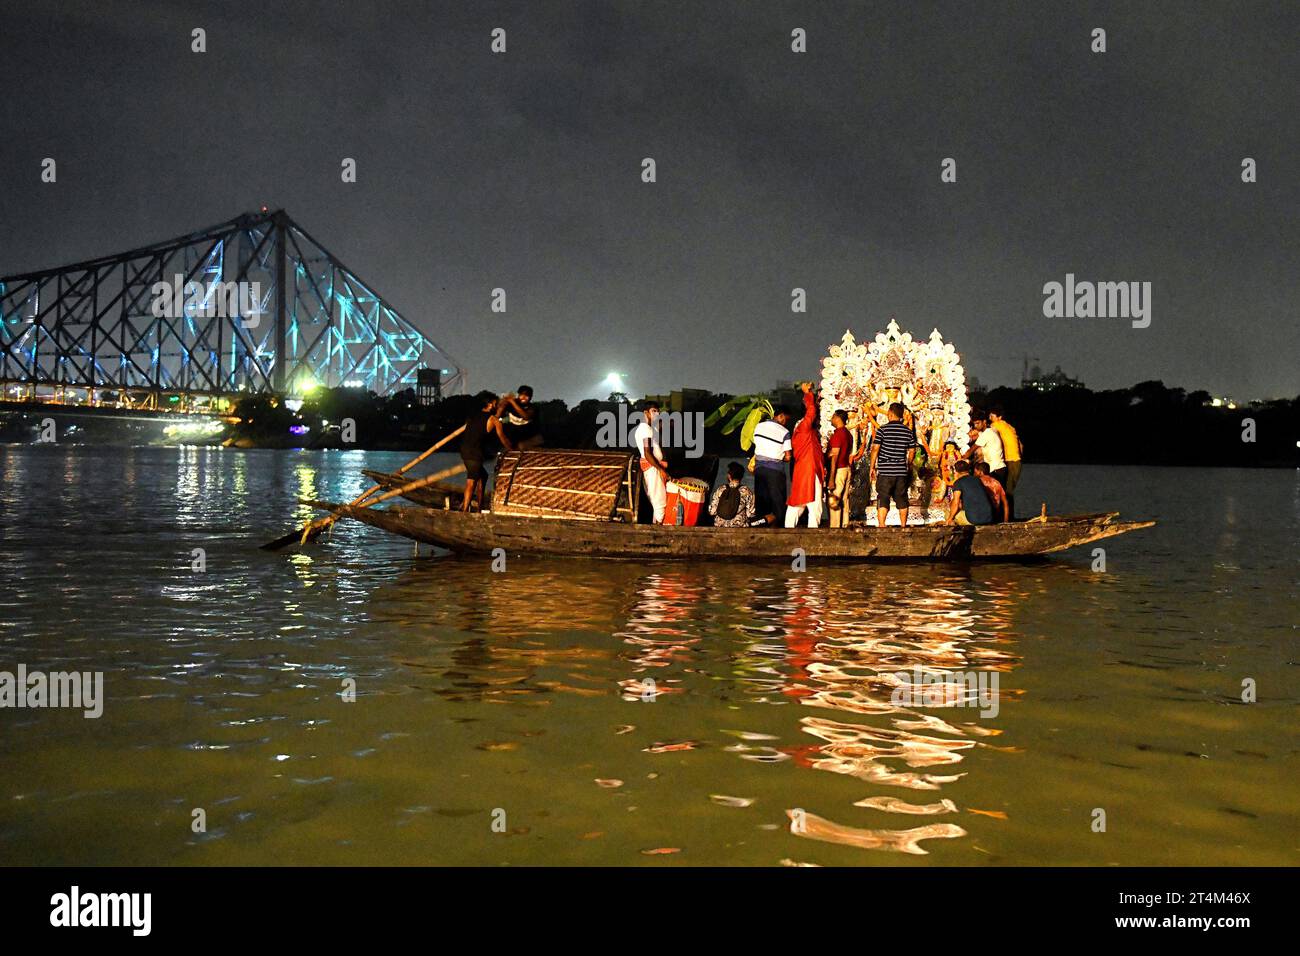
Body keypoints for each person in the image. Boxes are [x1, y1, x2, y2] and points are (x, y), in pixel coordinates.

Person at [870, 401, 918, 527]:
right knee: (901, 497)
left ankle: (881, 525)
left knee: (883, 497)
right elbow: (912, 449)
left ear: (890, 414)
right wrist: (908, 463)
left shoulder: (882, 430)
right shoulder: (907, 431)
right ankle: (903, 525)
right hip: (901, 471)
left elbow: (875, 449)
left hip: (885, 470)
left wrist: (872, 467)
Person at [785, 382, 826, 528]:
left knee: (798, 503)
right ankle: (812, 533)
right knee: (814, 505)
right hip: (809, 470)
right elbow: (811, 411)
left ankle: (788, 531)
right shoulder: (804, 428)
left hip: (803, 470)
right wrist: (808, 393)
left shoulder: (803, 431)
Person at [460, 391, 501, 512]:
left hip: (466, 451)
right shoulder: (491, 419)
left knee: (483, 476)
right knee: (471, 482)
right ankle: (464, 512)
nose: (496, 405)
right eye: (495, 403)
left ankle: (479, 508)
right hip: (473, 454)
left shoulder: (474, 416)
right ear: (489, 405)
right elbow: (501, 436)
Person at [751, 406, 792, 525]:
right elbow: (788, 457)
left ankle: (760, 523)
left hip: (759, 469)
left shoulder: (759, 426)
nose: (785, 423)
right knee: (777, 502)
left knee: (761, 500)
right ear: (780, 416)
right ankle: (777, 526)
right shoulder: (785, 432)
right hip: (775, 471)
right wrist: (782, 457)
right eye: (786, 419)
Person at [634, 402, 670, 523]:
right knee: (660, 503)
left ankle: (656, 529)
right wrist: (661, 470)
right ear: (646, 413)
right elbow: (647, 453)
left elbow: (658, 427)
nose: (657, 413)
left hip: (654, 468)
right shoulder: (645, 429)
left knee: (658, 504)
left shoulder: (649, 428)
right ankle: (658, 532)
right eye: (654, 411)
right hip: (653, 470)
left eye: (658, 411)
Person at [987, 408, 1021, 519]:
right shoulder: (1009, 427)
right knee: (1007, 490)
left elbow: (986, 432)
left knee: (1008, 491)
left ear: (999, 417)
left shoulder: (998, 424)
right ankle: (1008, 516)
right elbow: (1021, 445)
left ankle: (1008, 517)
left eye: (992, 416)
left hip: (1012, 460)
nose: (990, 419)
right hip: (1015, 460)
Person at [946, 460, 995, 525]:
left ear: (956, 472)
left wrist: (949, 519)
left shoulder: (958, 482)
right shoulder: (977, 479)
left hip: (974, 520)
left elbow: (956, 504)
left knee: (947, 514)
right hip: (989, 517)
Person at [825, 409, 852, 528]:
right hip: (847, 468)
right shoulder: (848, 434)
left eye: (832, 417)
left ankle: (835, 527)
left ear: (837, 418)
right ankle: (845, 524)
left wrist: (831, 478)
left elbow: (834, 458)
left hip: (839, 470)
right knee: (845, 499)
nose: (831, 419)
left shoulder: (838, 434)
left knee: (834, 499)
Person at [709, 461, 756, 527]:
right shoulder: (746, 491)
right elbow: (750, 514)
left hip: (720, 525)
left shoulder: (721, 489)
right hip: (739, 526)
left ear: (729, 476)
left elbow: (712, 512)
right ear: (741, 476)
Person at [968, 414, 1008, 489]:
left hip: (997, 469)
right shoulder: (990, 430)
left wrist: (962, 458)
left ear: (984, 422)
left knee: (996, 495)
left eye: (978, 423)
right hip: (997, 468)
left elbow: (972, 449)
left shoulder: (987, 433)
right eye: (974, 424)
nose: (976, 426)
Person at [499, 386, 544, 450]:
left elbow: (526, 417)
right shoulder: (511, 406)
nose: (523, 397)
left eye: (526, 395)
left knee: (521, 446)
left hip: (532, 438)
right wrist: (504, 401)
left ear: (530, 397)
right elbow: (498, 415)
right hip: (514, 439)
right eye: (521, 395)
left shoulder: (533, 407)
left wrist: (512, 402)